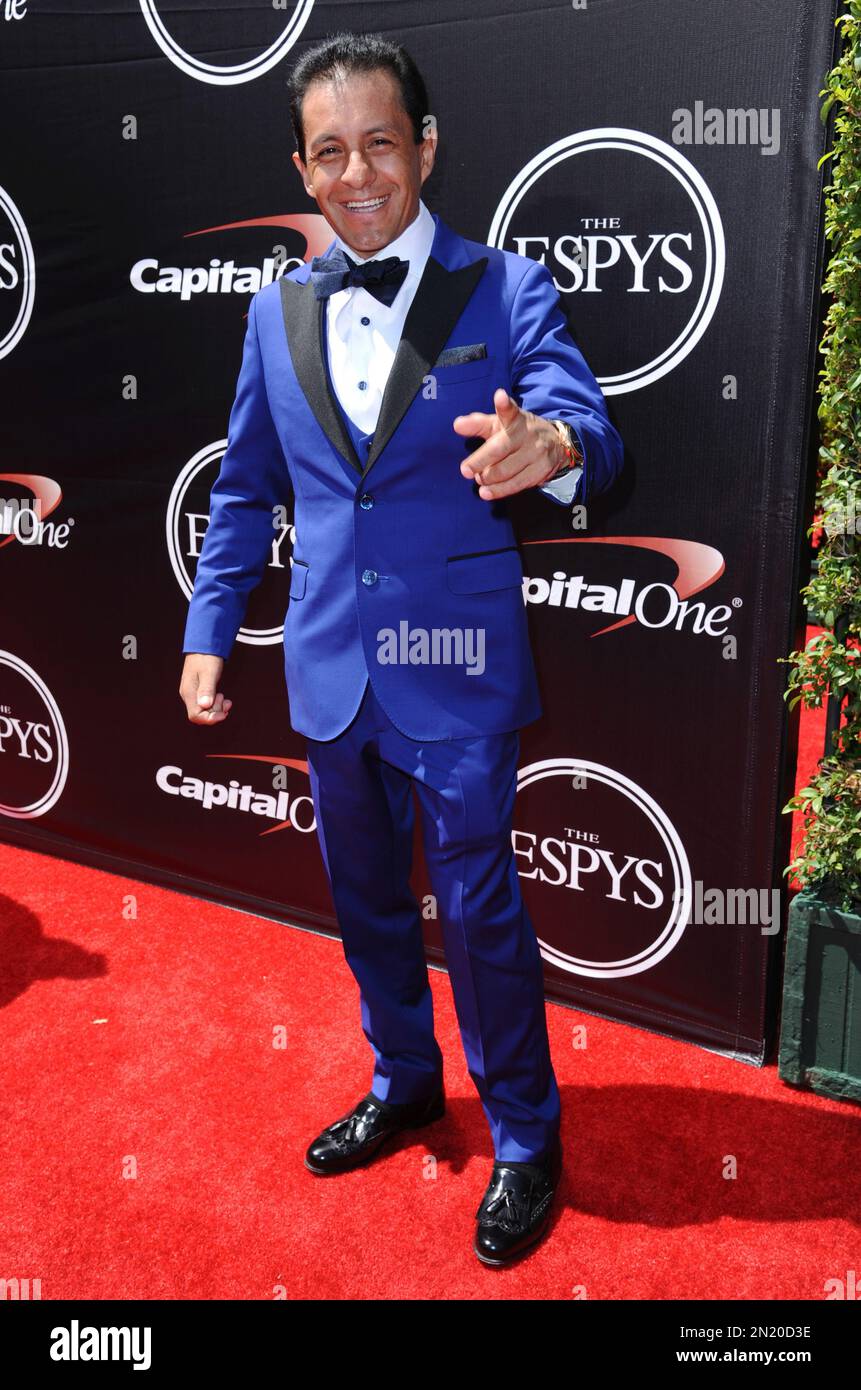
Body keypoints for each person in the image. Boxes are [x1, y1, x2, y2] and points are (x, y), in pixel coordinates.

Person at [179, 30, 623, 1266]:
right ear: (304, 170)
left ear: (426, 149)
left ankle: (527, 1138)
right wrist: (211, 628)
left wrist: (559, 446)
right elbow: (245, 488)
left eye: (383, 142)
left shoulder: (507, 287)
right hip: (326, 664)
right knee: (366, 901)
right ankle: (407, 1078)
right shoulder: (276, 314)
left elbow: (583, 416)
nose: (361, 170)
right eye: (333, 152)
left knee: (481, 914)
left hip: (459, 670)